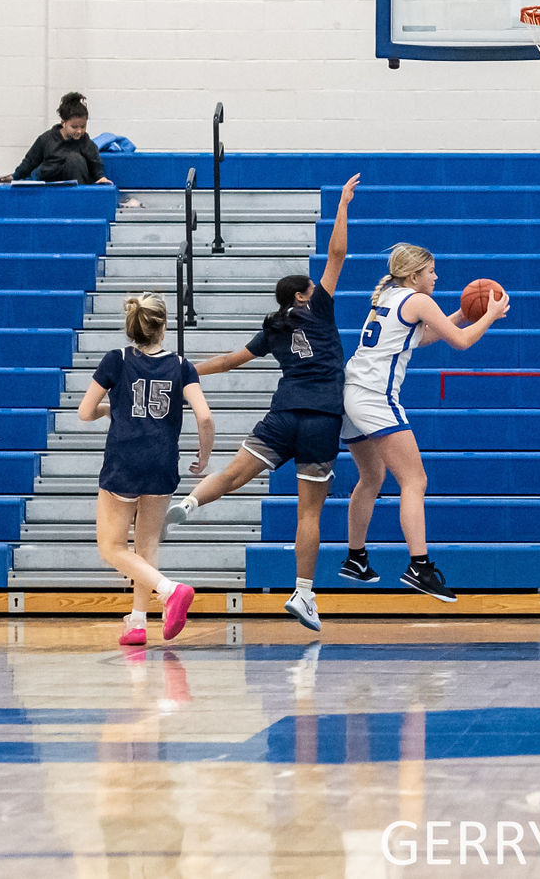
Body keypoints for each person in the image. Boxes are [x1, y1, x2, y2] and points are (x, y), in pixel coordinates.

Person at [161, 175, 360, 632]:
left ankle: (189, 504)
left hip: (283, 413)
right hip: (321, 418)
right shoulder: (321, 308)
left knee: (231, 475)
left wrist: (185, 367)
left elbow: (231, 361)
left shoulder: (273, 327)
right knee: (308, 512)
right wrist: (343, 204)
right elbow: (337, 255)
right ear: (301, 295)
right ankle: (304, 594)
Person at [339, 243, 510, 602]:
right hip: (374, 396)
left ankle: (356, 558)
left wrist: (464, 313)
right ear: (415, 275)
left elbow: (426, 336)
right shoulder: (417, 300)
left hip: (350, 393)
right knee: (415, 480)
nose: (436, 277)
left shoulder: (389, 296)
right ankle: (420, 566)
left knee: (371, 478)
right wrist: (489, 316)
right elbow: (461, 343)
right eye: (431, 272)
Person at [76, 294, 213, 645]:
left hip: (125, 459)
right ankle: (137, 622)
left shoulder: (116, 359)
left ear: (132, 326)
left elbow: (84, 412)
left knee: (111, 547)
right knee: (147, 543)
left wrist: (109, 410)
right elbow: (205, 416)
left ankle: (169, 590)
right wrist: (204, 454)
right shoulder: (182, 365)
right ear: (163, 328)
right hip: (162, 461)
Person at [0, 92, 114, 186]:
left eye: (83, 126)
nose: (79, 131)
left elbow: (95, 163)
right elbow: (30, 161)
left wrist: (101, 177)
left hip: (75, 186)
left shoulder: (85, 141)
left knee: (75, 159)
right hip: (49, 183)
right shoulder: (46, 139)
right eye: (74, 127)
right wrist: (15, 176)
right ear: (63, 122)